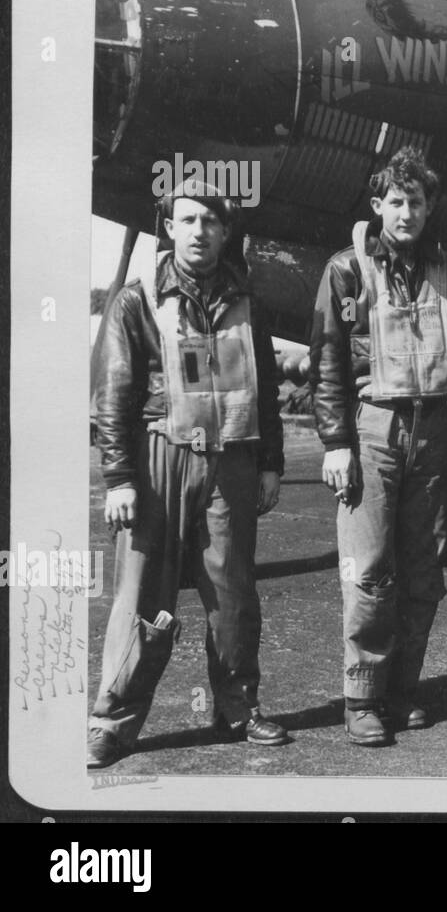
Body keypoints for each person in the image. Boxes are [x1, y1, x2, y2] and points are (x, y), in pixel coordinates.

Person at [88, 185, 288, 769]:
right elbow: (113, 396)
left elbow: (267, 389)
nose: (199, 231)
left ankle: (237, 709)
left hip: (233, 461)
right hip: (162, 456)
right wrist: (119, 479)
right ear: (169, 228)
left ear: (225, 232)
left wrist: (271, 463)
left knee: (233, 593)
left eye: (210, 221)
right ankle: (112, 722)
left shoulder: (249, 301)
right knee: (142, 593)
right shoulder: (138, 301)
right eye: (188, 220)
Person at [310, 147, 447, 747]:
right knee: (368, 570)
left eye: (416, 201)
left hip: (432, 432)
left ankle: (402, 690)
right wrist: (336, 442)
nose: (406, 212)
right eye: (396, 201)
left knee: (423, 571)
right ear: (377, 205)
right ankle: (362, 698)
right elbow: (327, 360)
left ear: (428, 206)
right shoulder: (346, 270)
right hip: (374, 431)